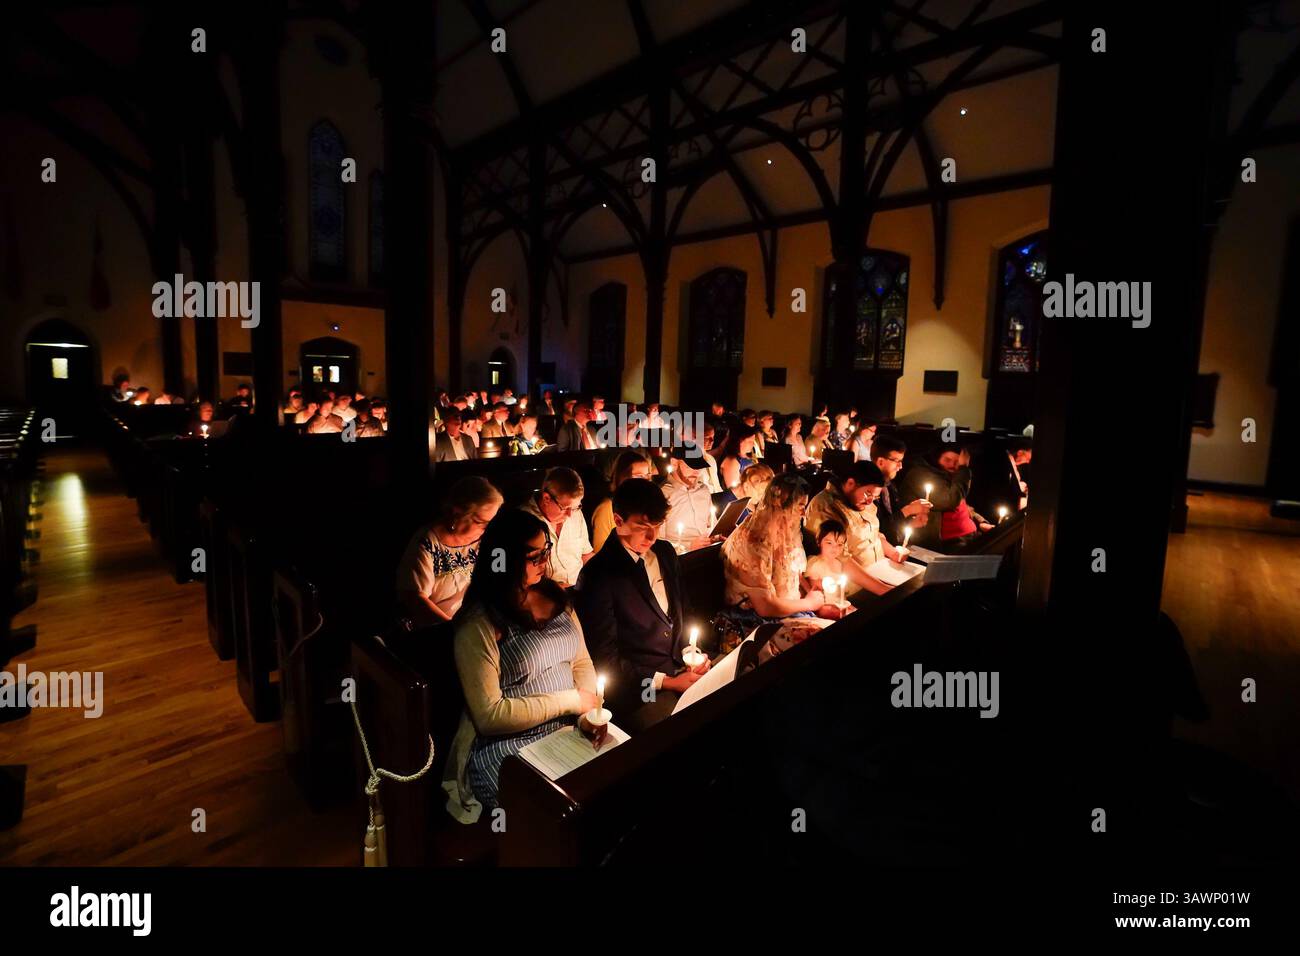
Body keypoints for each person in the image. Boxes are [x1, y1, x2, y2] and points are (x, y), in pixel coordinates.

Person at [443, 510, 602, 822]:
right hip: (508, 748)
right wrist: (570, 701)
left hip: (567, 731)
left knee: (611, 787)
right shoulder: (480, 623)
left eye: (546, 551)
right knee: (549, 816)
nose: (544, 561)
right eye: (534, 556)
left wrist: (588, 712)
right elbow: (490, 716)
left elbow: (581, 660)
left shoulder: (555, 596)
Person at [574, 478, 707, 730]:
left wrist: (694, 653)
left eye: (658, 525)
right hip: (638, 691)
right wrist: (666, 682)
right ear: (618, 520)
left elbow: (684, 612)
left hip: (681, 669)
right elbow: (606, 658)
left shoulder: (666, 553)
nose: (652, 536)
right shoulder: (598, 575)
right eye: (642, 526)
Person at [717, 473, 839, 645]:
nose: (804, 513)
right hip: (755, 621)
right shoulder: (753, 540)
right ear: (779, 503)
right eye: (800, 506)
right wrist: (809, 604)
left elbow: (792, 572)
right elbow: (765, 606)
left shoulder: (786, 529)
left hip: (789, 610)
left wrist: (816, 594)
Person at [396, 477, 503, 627]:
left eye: (491, 522)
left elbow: (500, 575)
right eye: (481, 522)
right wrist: (454, 629)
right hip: (441, 629)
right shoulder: (427, 543)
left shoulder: (489, 539)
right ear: (457, 513)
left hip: (479, 622)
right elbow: (414, 598)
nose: (487, 527)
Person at [805, 461, 909, 596]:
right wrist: (885, 591)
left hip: (880, 574)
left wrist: (894, 553)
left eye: (875, 496)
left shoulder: (861, 502)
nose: (870, 501)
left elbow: (874, 535)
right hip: (854, 589)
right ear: (850, 483)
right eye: (868, 494)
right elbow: (840, 559)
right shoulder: (827, 508)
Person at [897, 447, 993, 546]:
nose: (952, 464)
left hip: (971, 534)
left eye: (957, 462)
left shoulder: (949, 475)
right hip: (951, 542)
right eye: (947, 460)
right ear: (937, 458)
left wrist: (980, 522)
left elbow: (962, 504)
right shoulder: (920, 474)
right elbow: (950, 500)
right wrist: (963, 468)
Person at [520, 467, 593, 587]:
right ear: (546, 498)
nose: (570, 514)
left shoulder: (575, 513)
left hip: (580, 589)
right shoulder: (524, 520)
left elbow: (586, 554)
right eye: (565, 508)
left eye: (575, 507)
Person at [870, 434, 931, 545]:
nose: (900, 466)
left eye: (901, 461)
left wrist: (911, 523)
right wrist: (907, 510)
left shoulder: (890, 486)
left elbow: (892, 525)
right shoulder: (868, 489)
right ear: (880, 462)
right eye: (896, 461)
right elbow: (876, 529)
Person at [590, 451, 653, 552]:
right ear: (624, 478)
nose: (645, 481)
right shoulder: (607, 509)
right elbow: (601, 552)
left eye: (647, 475)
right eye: (639, 476)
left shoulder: (646, 505)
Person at [663, 443, 721, 550]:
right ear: (674, 463)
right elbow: (658, 542)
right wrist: (688, 546)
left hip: (709, 550)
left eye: (699, 467)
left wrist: (717, 537)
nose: (696, 472)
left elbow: (712, 525)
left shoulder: (704, 490)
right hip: (682, 558)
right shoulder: (663, 494)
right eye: (691, 466)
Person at [804, 519, 851, 597]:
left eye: (839, 544)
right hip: (822, 604)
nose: (835, 548)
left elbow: (840, 593)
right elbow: (814, 590)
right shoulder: (815, 564)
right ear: (819, 541)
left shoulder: (838, 563)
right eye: (829, 543)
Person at [717, 424, 758, 502]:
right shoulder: (732, 462)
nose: (753, 444)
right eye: (749, 441)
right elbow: (734, 492)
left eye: (753, 441)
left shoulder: (750, 457)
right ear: (739, 441)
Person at [732, 462, 775, 529]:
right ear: (746, 487)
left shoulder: (754, 505)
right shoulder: (726, 504)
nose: (762, 498)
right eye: (759, 494)